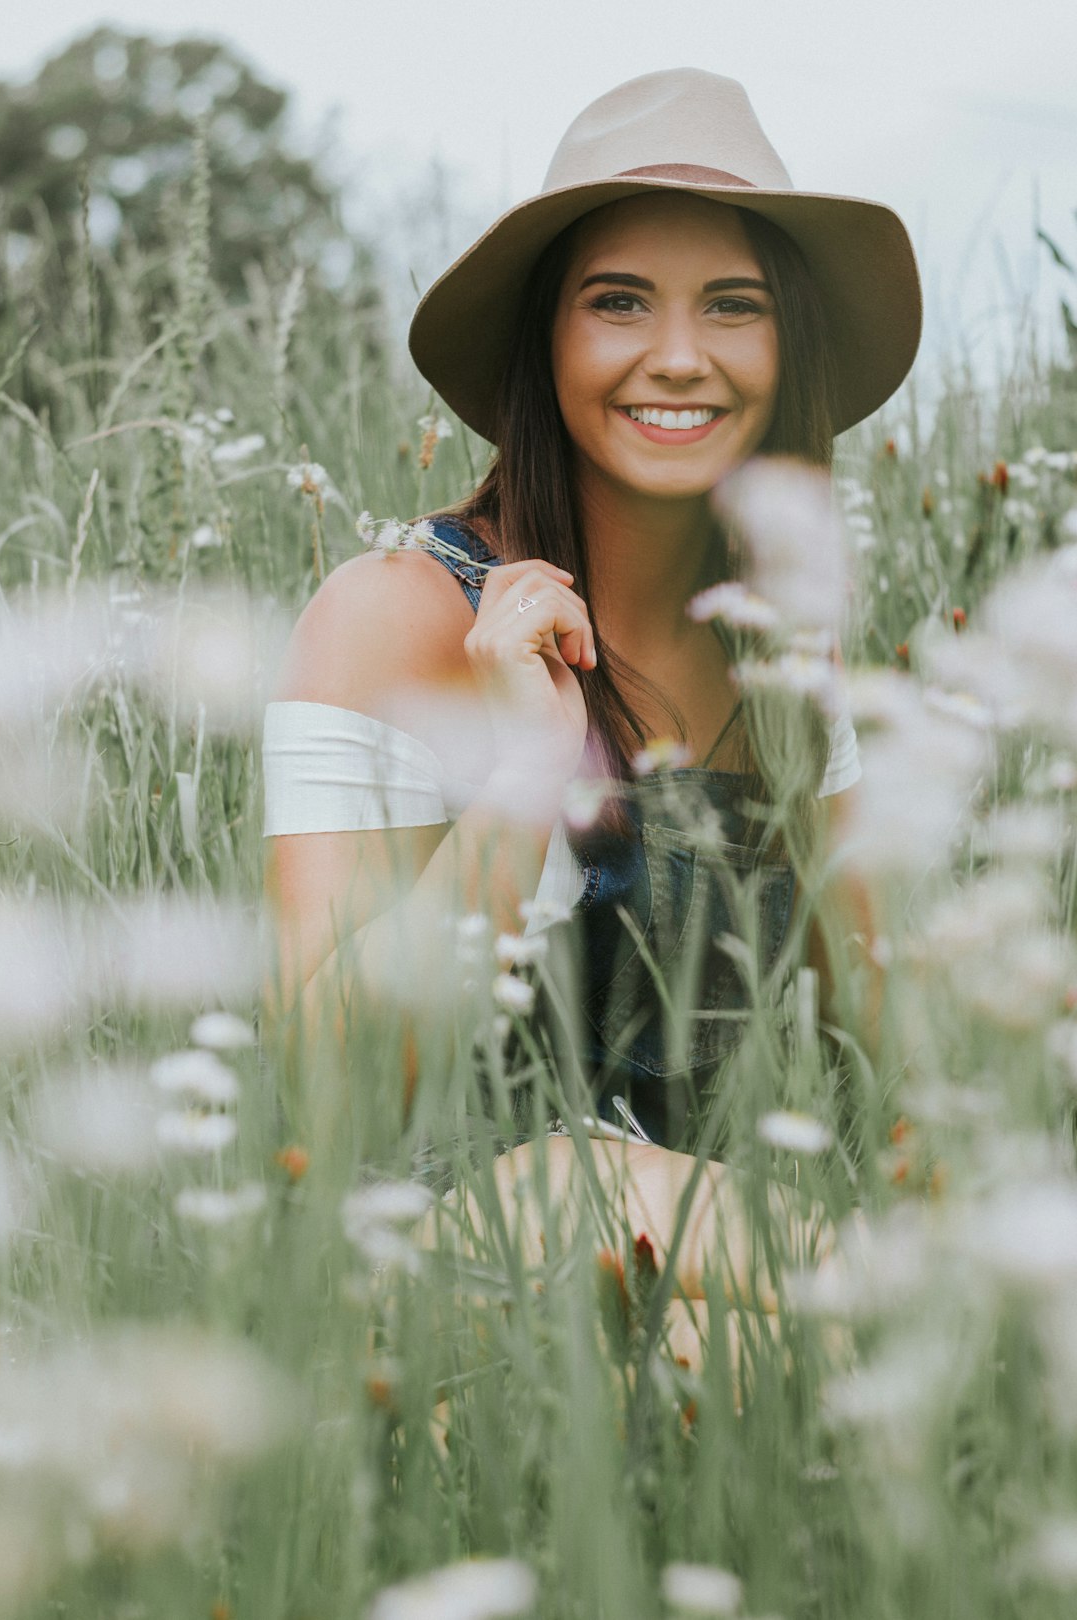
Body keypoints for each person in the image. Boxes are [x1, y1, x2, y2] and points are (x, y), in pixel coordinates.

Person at [261, 69, 920, 1310]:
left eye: (734, 306)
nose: (678, 358)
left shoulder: (792, 662)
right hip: (441, 1287)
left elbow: (891, 1056)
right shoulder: (385, 618)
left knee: (804, 1354)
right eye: (618, 302)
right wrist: (519, 784)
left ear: (790, 345)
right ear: (547, 338)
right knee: (598, 1184)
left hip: (725, 1300)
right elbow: (330, 1096)